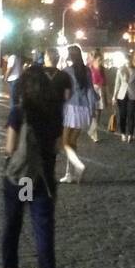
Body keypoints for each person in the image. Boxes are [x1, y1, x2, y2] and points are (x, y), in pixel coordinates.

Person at [0, 64, 60, 268]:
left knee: (13, 225)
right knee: (42, 228)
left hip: (21, 179)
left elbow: (10, 147)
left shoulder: (19, 112)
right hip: (42, 179)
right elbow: (56, 146)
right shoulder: (54, 113)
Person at [59, 45, 96, 183]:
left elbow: (63, 92)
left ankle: (78, 166)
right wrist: (91, 110)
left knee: (65, 142)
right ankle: (70, 173)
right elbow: (90, 91)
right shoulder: (86, 70)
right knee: (73, 142)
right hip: (83, 109)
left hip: (71, 107)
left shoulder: (67, 71)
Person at [114, 52, 135, 142]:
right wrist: (114, 96)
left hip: (132, 95)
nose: (128, 62)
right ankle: (122, 133)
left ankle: (130, 134)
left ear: (131, 60)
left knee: (131, 115)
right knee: (122, 115)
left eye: (129, 60)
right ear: (124, 61)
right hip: (121, 96)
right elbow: (117, 84)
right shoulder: (120, 70)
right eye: (127, 61)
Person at [88, 50, 107, 143]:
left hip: (100, 91)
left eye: (101, 60)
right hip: (92, 91)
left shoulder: (102, 69)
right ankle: (94, 133)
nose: (100, 61)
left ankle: (93, 130)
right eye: (99, 60)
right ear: (95, 59)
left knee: (99, 112)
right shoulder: (90, 68)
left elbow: (105, 82)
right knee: (93, 113)